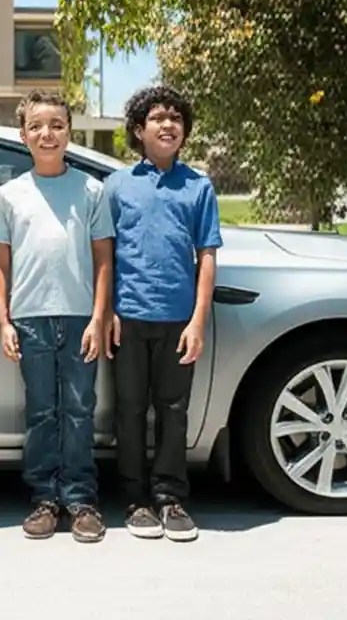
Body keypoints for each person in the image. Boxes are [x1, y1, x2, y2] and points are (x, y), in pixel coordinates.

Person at [0, 89, 113, 542]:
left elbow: (103, 260)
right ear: (23, 136)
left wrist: (100, 318)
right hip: (30, 318)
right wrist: (4, 319)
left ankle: (81, 500)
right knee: (42, 412)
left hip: (81, 316)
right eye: (37, 126)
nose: (47, 133)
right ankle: (44, 497)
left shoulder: (91, 190)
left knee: (80, 410)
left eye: (56, 125)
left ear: (69, 132)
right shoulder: (10, 195)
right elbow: (0, 263)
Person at [104, 84, 221, 543]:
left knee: (173, 411)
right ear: (139, 129)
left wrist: (198, 322)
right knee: (129, 411)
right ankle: (134, 499)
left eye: (176, 118)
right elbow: (105, 255)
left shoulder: (199, 186)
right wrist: (108, 311)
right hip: (127, 317)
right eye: (157, 117)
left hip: (178, 320)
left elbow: (207, 256)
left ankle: (170, 496)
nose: (168, 124)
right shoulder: (117, 185)